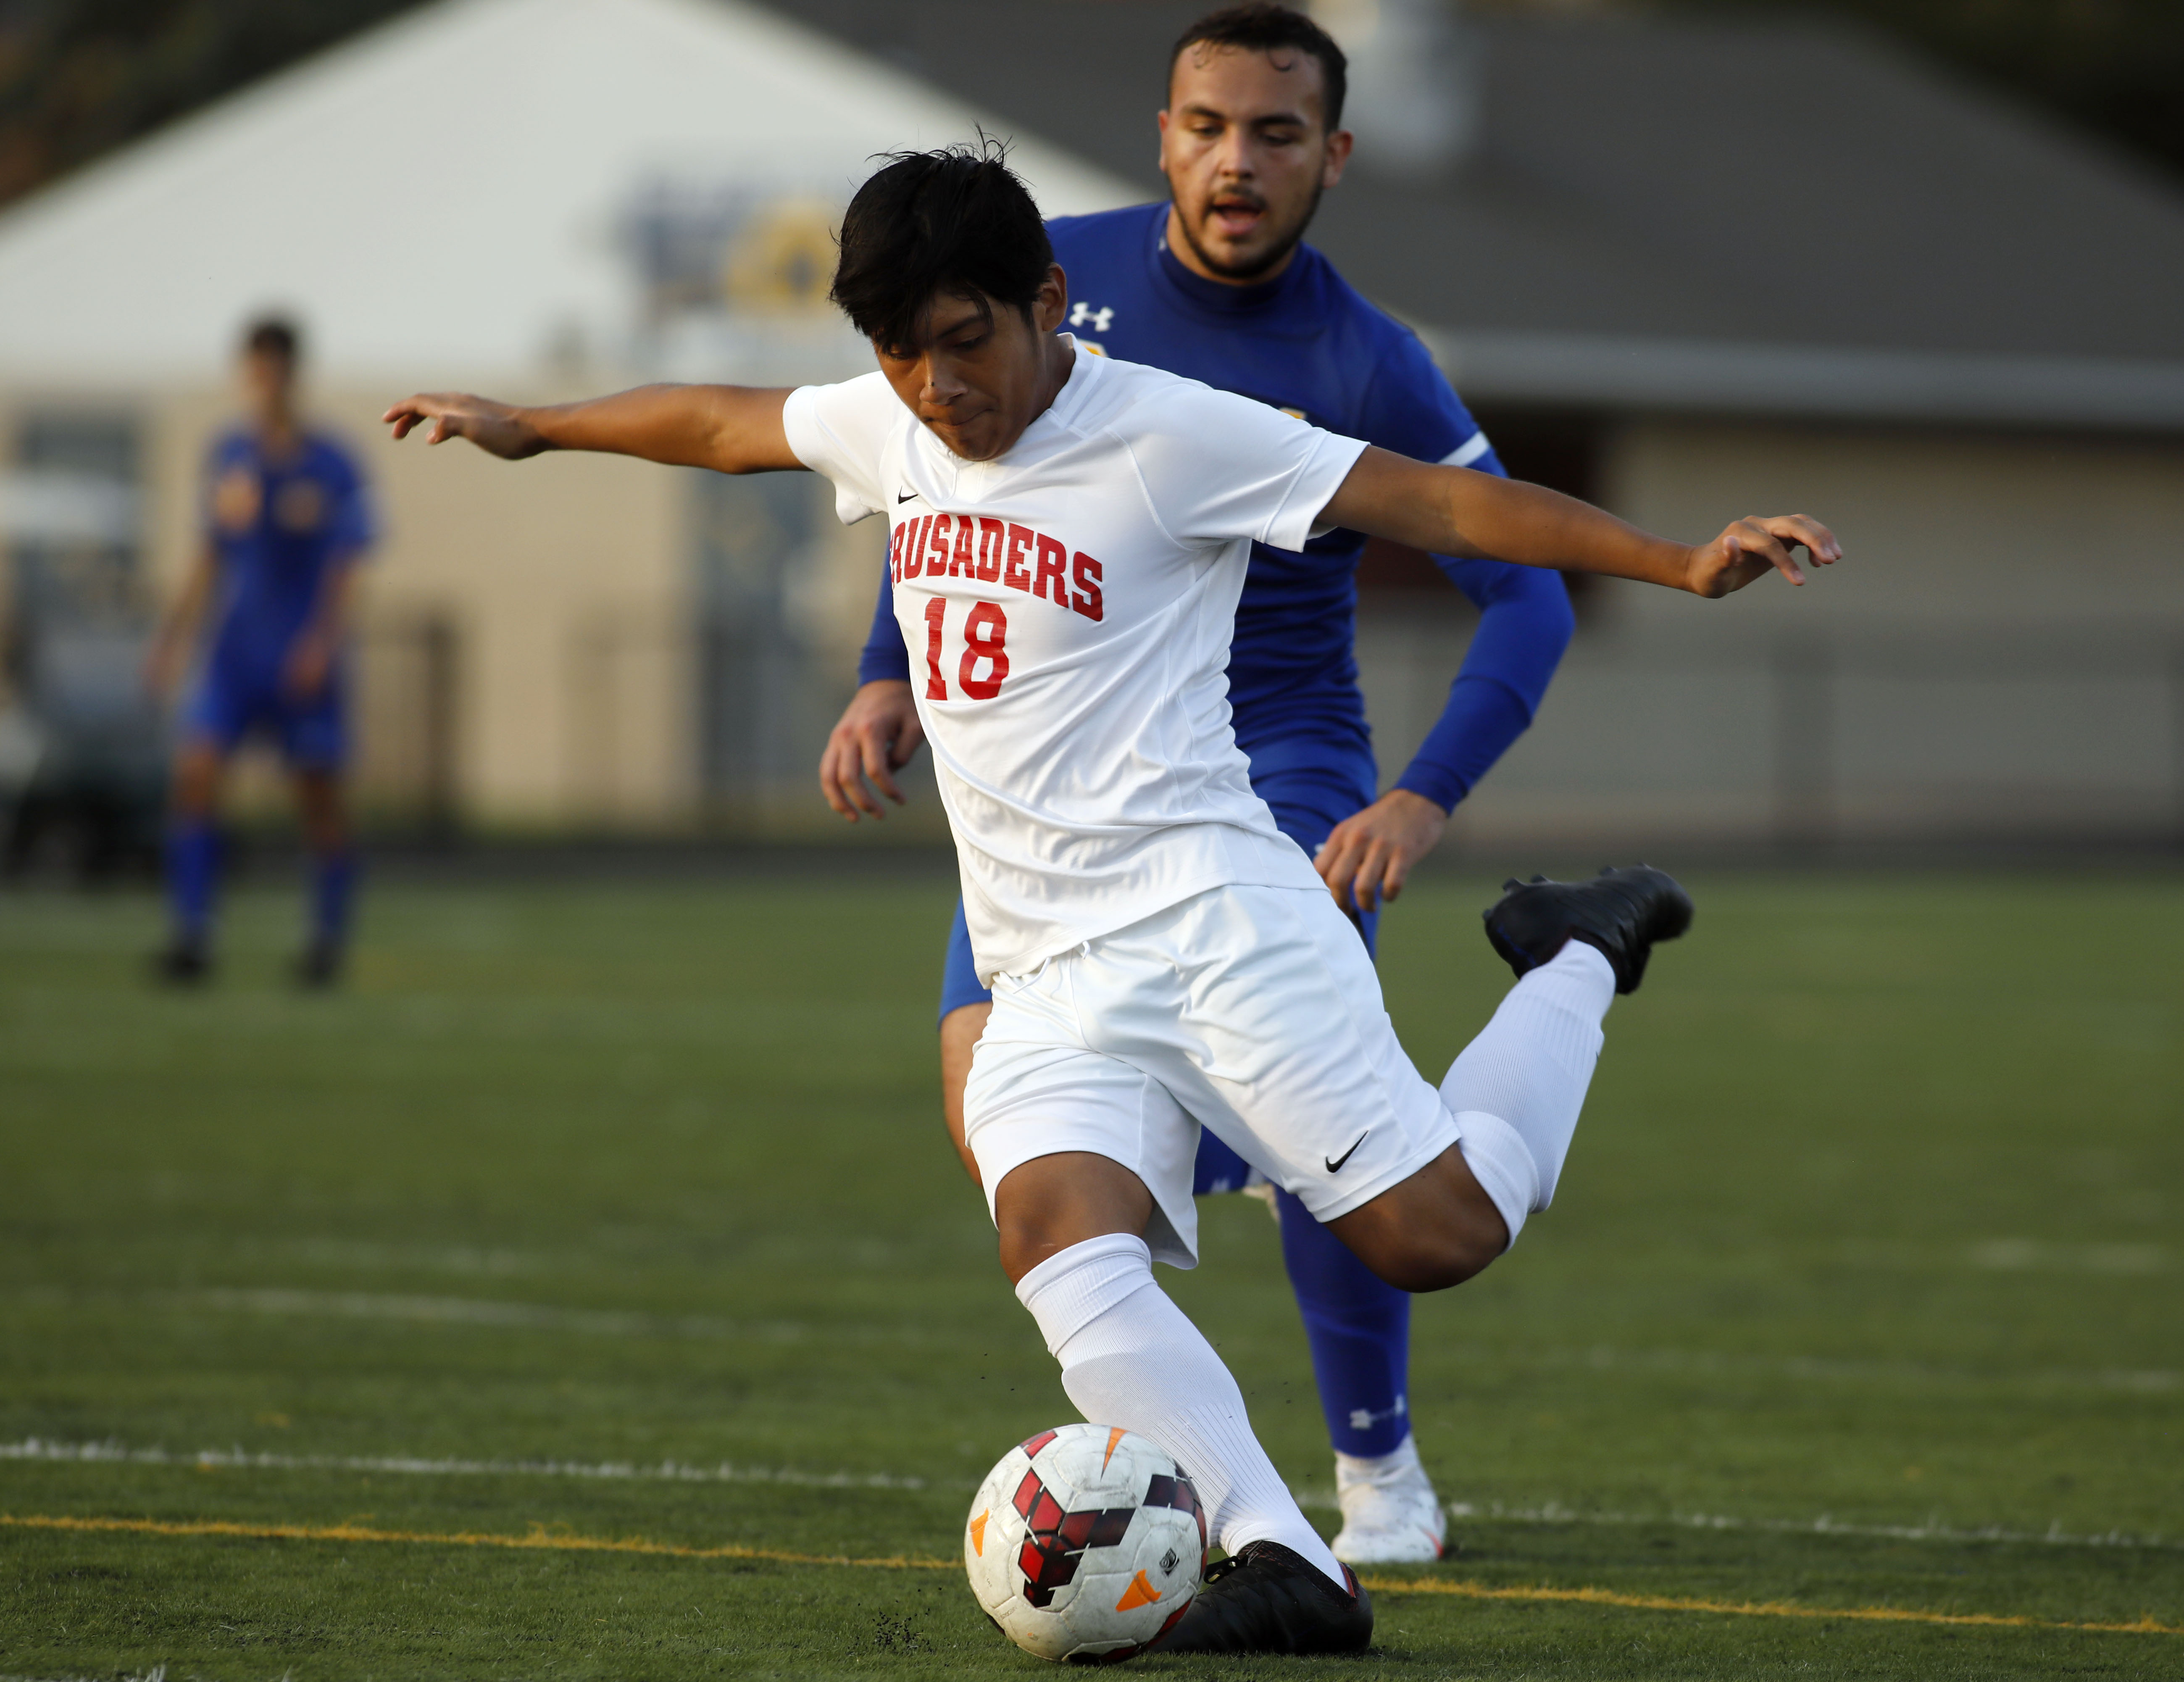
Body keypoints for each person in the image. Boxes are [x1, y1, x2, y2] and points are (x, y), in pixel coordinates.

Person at [381, 144, 1836, 1655]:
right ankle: (1285, 1556)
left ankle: (1574, 952)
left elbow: (1437, 510)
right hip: (1046, 973)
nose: (938, 386)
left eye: (965, 342)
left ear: (1047, 306)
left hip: (1215, 928)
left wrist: (1674, 560)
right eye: (901, 354)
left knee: (1436, 1235)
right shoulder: (893, 421)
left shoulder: (1170, 432)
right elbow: (724, 419)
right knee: (1059, 1246)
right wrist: (531, 427)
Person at [815, 2, 1573, 1565]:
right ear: (1161, 135)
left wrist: (1419, 794)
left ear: (1331, 158)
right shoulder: (1035, 271)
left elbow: (1528, 586)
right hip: (1056, 776)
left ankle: (1375, 1477)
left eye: (1274, 133)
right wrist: (889, 666)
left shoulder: (1365, 360)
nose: (1236, 162)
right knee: (995, 1120)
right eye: (1207, 126)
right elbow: (931, 469)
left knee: (1321, 1155)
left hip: (1272, 768)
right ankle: (1232, 1514)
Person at [146, 316, 374, 986]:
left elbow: (347, 564)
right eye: (254, 371)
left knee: (318, 798)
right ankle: (193, 935)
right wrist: (170, 640)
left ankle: (326, 943)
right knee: (195, 777)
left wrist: (322, 642)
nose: (263, 384)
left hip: (301, 658)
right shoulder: (229, 457)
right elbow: (209, 553)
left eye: (273, 370)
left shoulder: (332, 462)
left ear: (293, 374)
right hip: (234, 656)